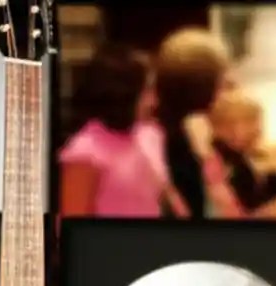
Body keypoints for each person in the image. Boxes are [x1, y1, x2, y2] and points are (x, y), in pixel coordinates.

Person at [57, 44, 183, 218]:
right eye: (147, 90)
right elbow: (72, 226)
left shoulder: (152, 135)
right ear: (124, 93)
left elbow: (168, 197)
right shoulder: (84, 152)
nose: (155, 100)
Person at [155, 28, 234, 219]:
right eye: (222, 79)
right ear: (206, 86)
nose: (230, 85)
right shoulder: (187, 142)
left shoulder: (156, 130)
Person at [208, 91, 276, 219]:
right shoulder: (225, 163)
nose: (258, 130)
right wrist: (271, 211)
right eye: (251, 121)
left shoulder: (234, 155)